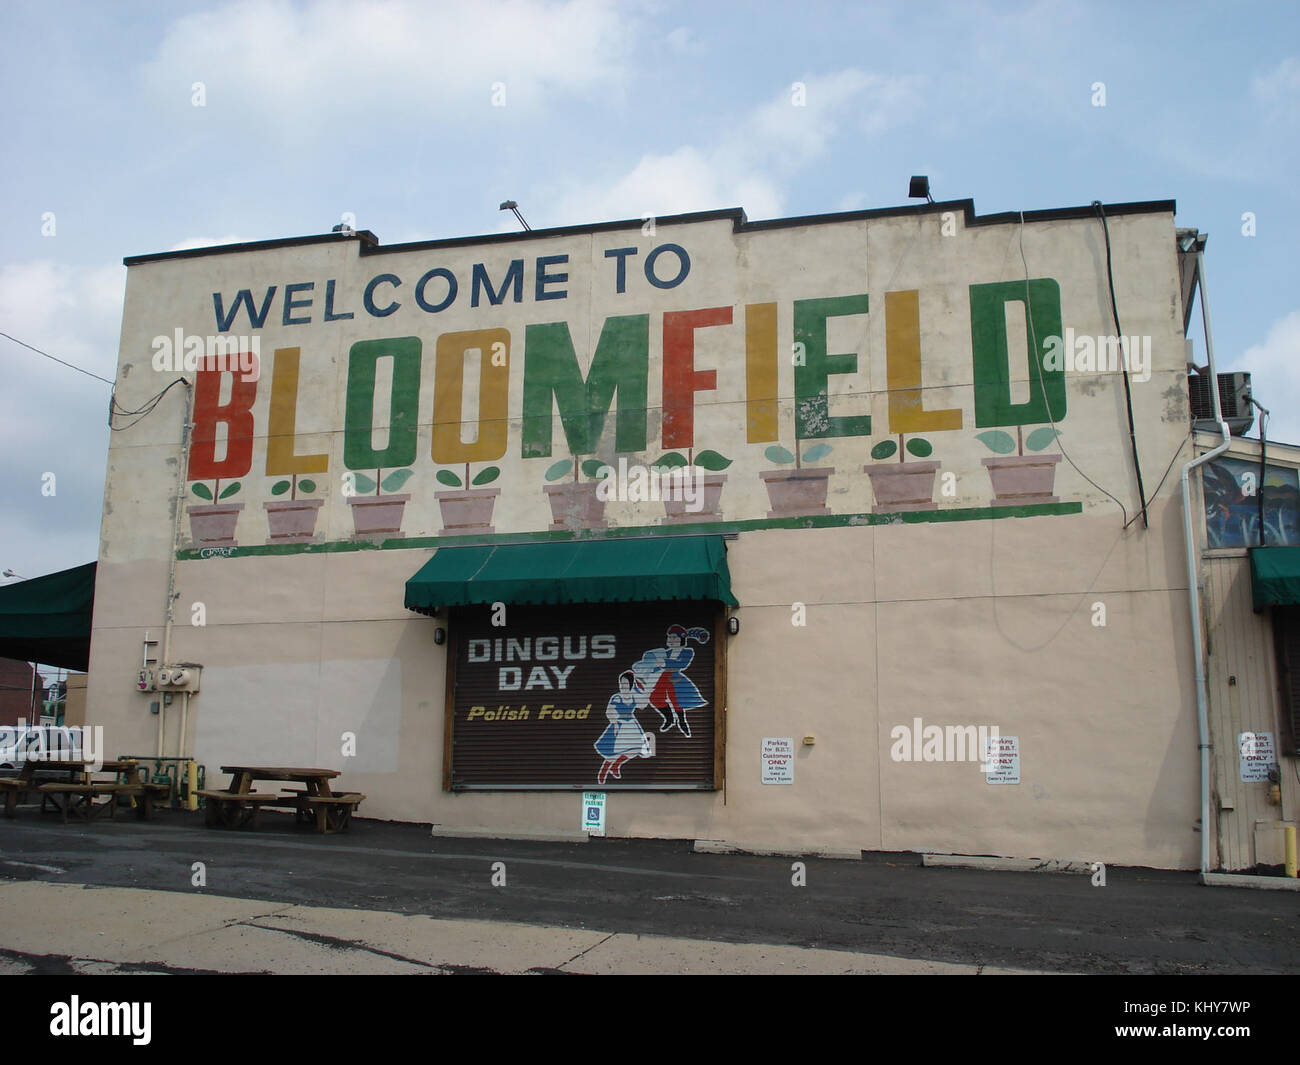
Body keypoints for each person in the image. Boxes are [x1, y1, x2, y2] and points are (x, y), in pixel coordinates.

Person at [637, 624, 709, 738]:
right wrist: (649, 667)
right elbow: (655, 665)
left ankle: (682, 722)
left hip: (675, 678)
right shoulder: (665, 652)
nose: (671, 640)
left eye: (674, 637)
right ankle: (669, 718)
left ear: (681, 639)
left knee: (676, 700)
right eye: (670, 637)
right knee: (654, 697)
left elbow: (682, 664)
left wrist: (664, 663)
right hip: (663, 676)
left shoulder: (687, 652)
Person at [594, 671, 650, 784]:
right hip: (619, 725)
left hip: (631, 725)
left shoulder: (634, 697)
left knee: (635, 749)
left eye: (625, 683)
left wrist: (641, 688)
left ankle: (616, 765)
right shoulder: (617, 697)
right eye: (621, 683)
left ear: (630, 684)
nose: (623, 686)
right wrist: (614, 723)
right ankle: (603, 772)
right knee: (613, 751)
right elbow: (609, 711)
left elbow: (644, 705)